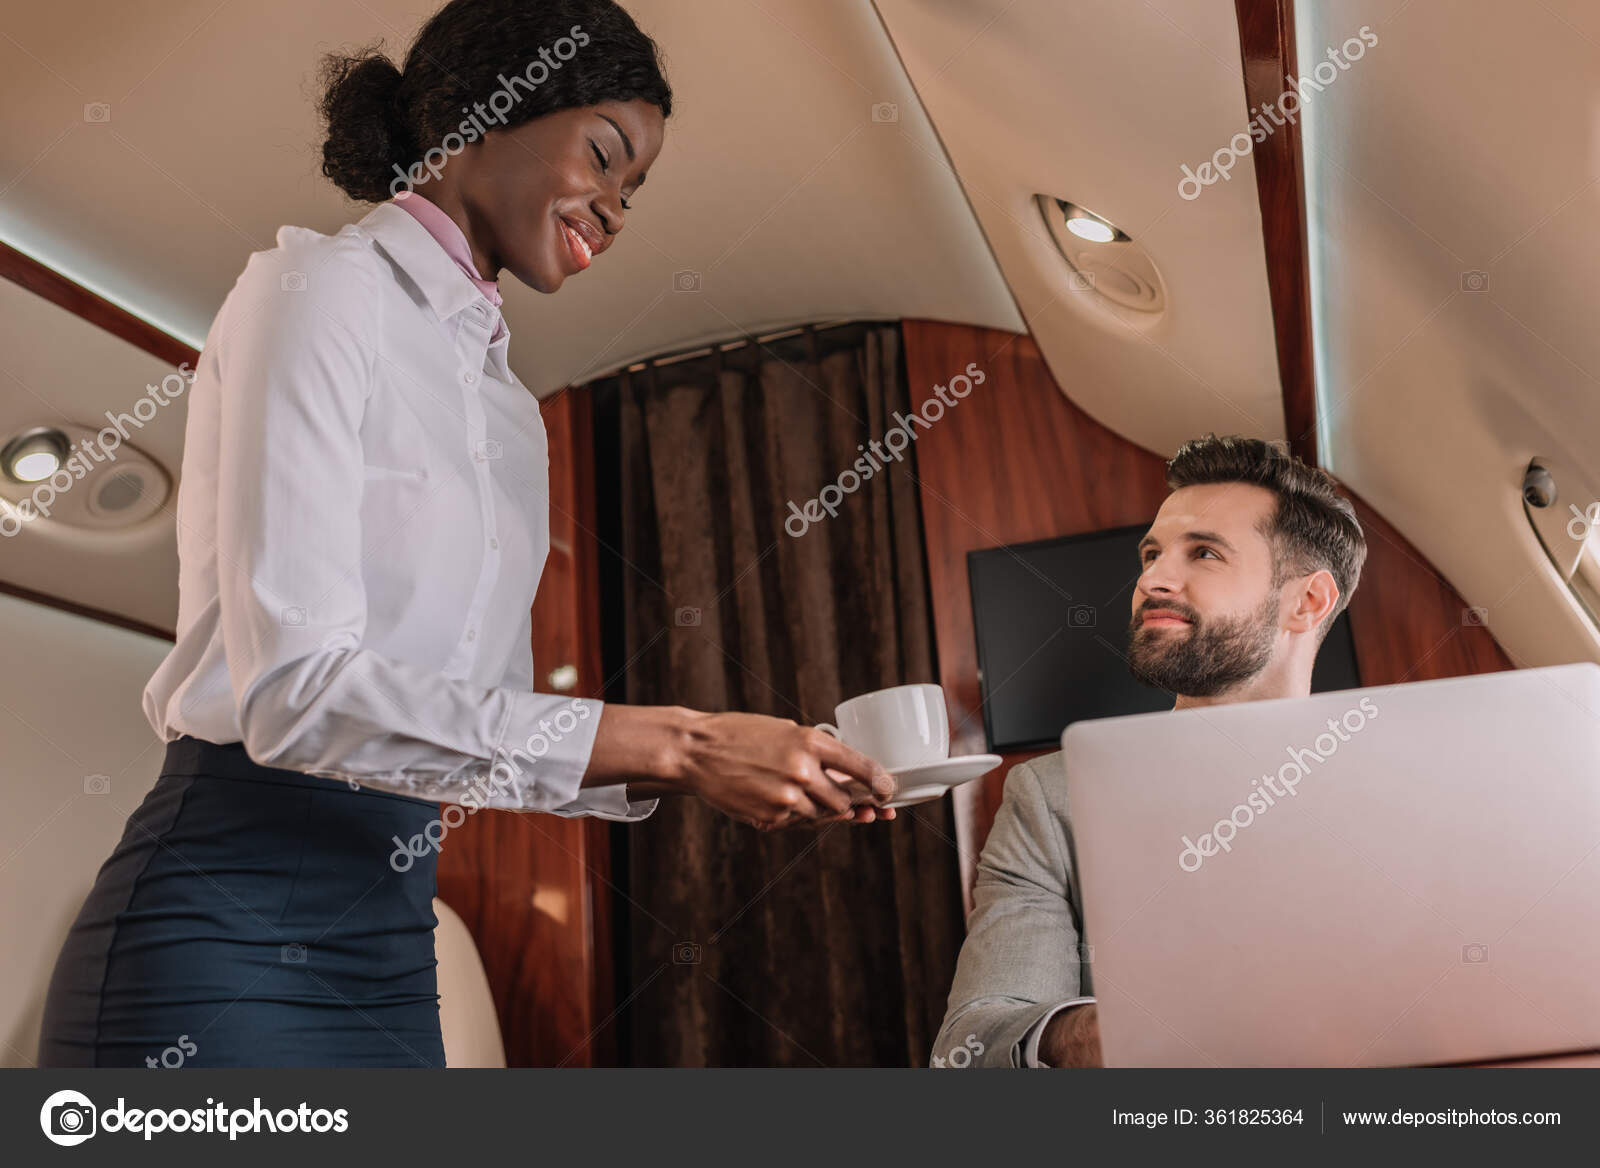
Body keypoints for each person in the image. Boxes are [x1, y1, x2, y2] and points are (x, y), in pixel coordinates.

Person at [38, 0, 894, 1070]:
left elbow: (484, 731)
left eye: (636, 190)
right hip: (226, 920)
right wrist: (685, 740)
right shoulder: (318, 288)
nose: (618, 209)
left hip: (396, 936)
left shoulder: (506, 412)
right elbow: (294, 694)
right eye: (605, 155)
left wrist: (723, 762)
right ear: (488, 109)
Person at [932, 434, 1367, 1067]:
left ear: (1306, 601)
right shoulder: (1052, 797)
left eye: (1205, 553)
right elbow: (967, 1053)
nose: (1153, 579)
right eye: (1153, 554)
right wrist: (1111, 1032)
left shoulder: (1419, 789)